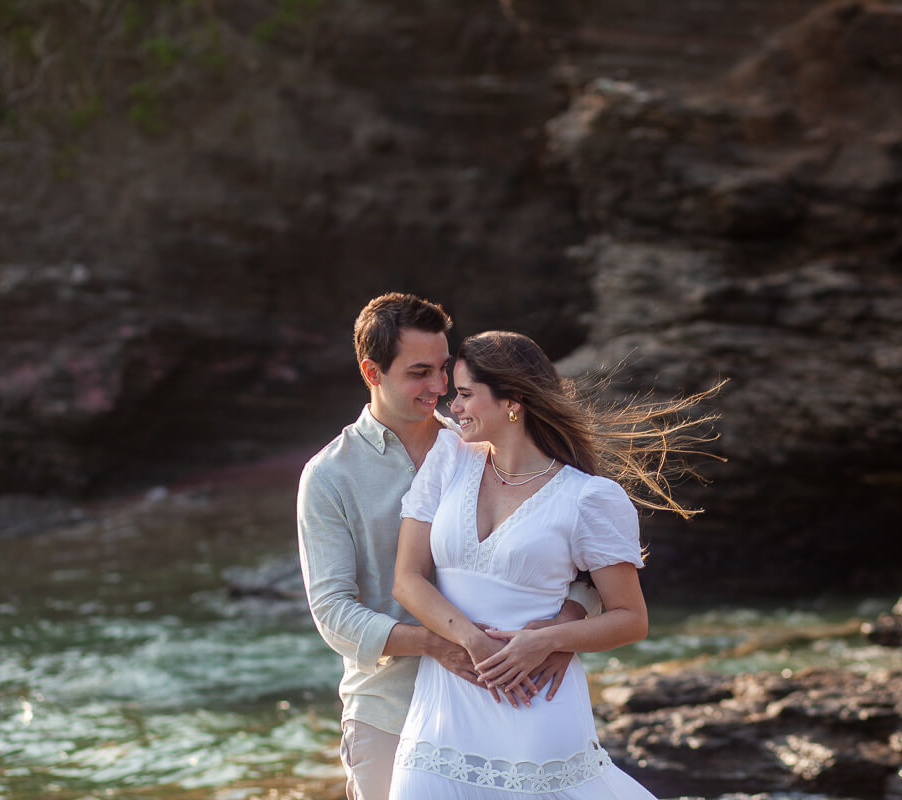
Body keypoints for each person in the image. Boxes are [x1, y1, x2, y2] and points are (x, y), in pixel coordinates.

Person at [390, 330, 720, 799]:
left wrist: (547, 641)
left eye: (465, 395)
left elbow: (631, 619)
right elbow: (406, 579)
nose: (453, 406)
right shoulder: (448, 459)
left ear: (513, 401)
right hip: (444, 707)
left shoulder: (589, 498)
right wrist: (471, 639)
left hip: (536, 710)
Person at [297, 294, 601, 800]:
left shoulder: (479, 443)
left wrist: (563, 627)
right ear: (372, 372)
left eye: (443, 369)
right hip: (390, 708)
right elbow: (331, 611)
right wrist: (440, 644)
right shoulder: (329, 475)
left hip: (511, 698)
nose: (439, 387)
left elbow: (569, 551)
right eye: (420, 372)